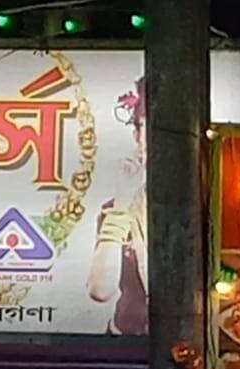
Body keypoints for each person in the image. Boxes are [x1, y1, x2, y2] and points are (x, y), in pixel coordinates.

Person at [87, 80, 148, 335]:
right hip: (126, 343)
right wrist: (123, 204)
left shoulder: (202, 202)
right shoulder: (115, 209)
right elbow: (101, 290)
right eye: (147, 127)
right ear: (137, 136)